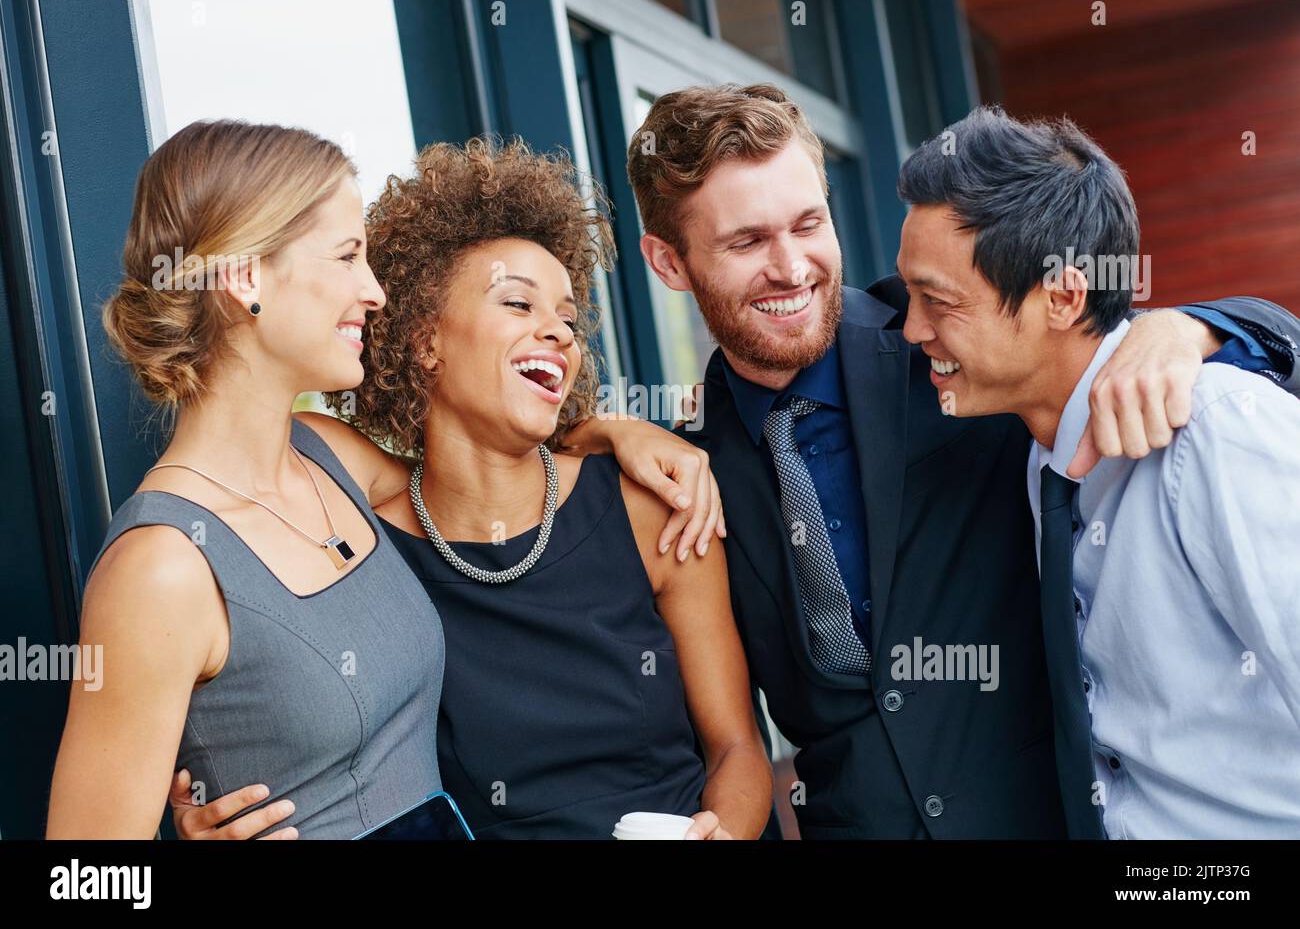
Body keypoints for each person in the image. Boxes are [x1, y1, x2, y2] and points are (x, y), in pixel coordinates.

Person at [626, 83, 1300, 838]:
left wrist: (1192, 327)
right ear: (668, 263)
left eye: (809, 223)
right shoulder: (680, 468)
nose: (791, 267)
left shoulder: (955, 347)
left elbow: (1096, 334)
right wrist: (602, 429)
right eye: (747, 242)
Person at [46, 121, 727, 840]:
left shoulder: (331, 458)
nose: (374, 294)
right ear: (245, 278)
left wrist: (618, 431)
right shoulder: (160, 570)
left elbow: (489, 456)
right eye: (346, 257)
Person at [896, 105, 1300, 838]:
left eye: (939, 302)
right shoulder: (1040, 458)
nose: (914, 329)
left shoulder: (1214, 430)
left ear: (1062, 297)